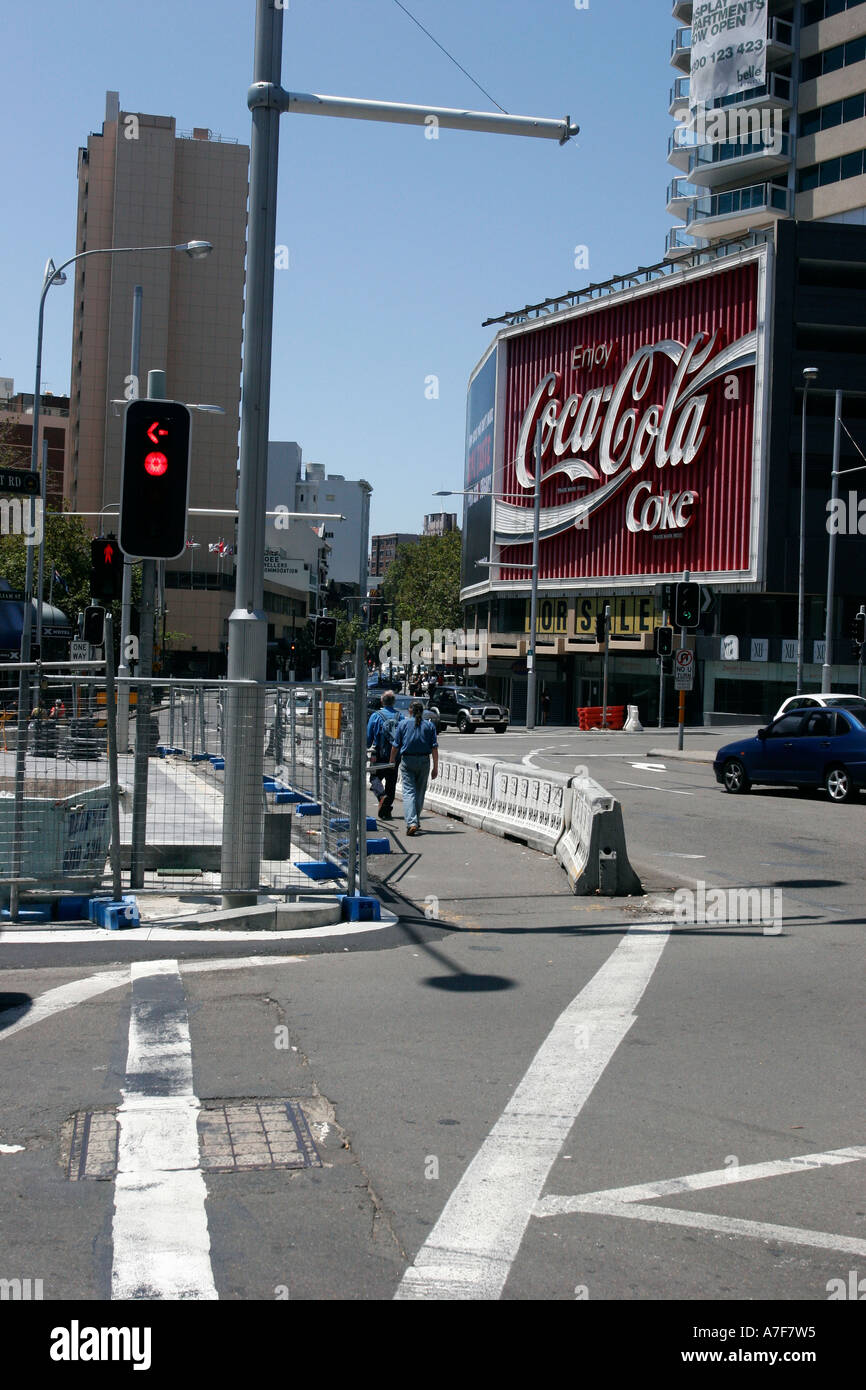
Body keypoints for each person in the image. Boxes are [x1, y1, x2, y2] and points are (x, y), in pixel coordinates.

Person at [390, 699, 438, 836]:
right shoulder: (429, 726)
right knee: (420, 792)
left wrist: (392, 761)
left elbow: (395, 745)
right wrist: (436, 767)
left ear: (410, 711)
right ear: (422, 712)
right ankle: (415, 820)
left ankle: (412, 822)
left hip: (408, 760)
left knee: (409, 792)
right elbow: (434, 748)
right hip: (424, 760)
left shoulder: (403, 724)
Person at [366, 690, 401, 819]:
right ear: (394, 702)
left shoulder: (376, 716)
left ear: (382, 701)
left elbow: (368, 737)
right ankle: (386, 809)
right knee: (391, 782)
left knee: (374, 778)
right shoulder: (400, 716)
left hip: (378, 754)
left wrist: (366, 747)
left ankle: (381, 796)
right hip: (395, 755)